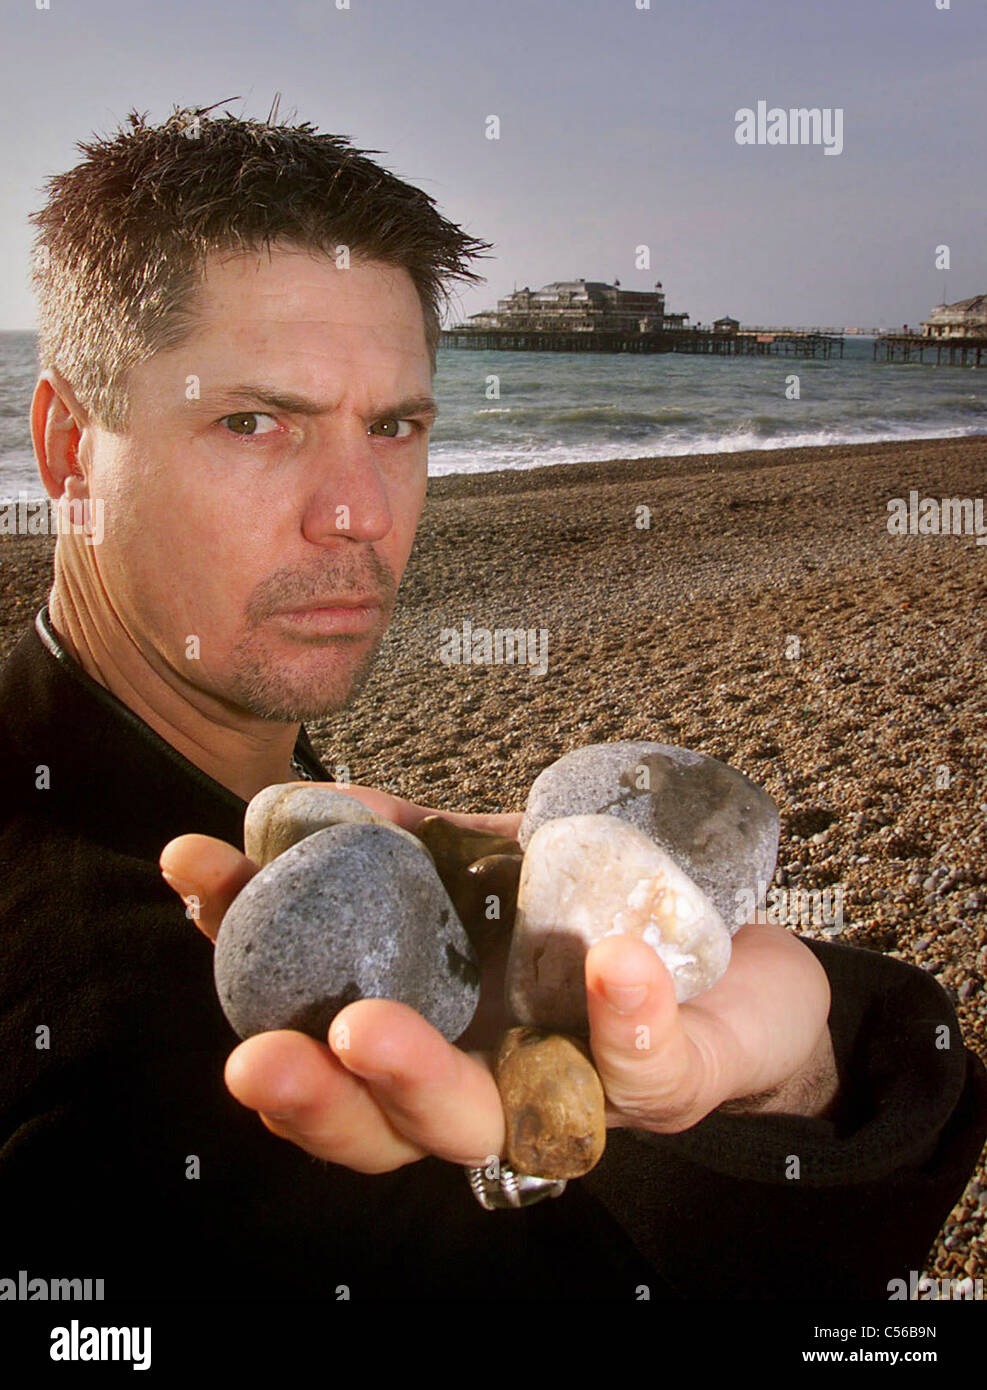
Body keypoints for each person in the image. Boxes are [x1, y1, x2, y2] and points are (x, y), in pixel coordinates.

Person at [0, 103, 984, 1303]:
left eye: (397, 424)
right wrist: (825, 1065)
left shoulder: (204, 766)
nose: (360, 510)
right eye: (255, 421)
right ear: (64, 449)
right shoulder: (120, 1054)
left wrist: (773, 1052)